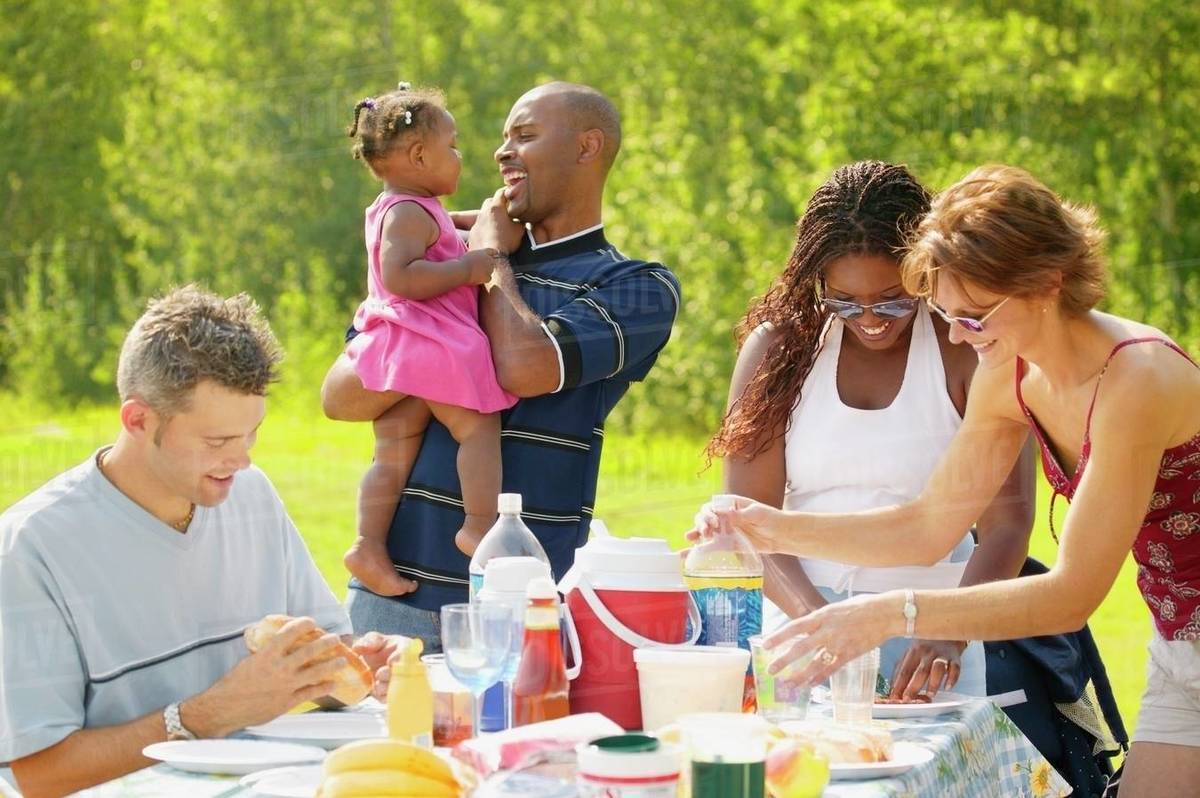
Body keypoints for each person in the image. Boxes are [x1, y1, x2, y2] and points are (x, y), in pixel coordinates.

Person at [696, 165, 1200, 795]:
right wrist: (766, 526)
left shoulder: (1136, 379)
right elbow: (929, 526)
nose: (957, 335)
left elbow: (1073, 595)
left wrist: (893, 613)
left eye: (977, 315)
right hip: (1181, 638)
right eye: (947, 313)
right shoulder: (1007, 370)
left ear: (1048, 284)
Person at [0, 287, 410, 796]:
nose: (242, 461)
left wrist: (356, 665)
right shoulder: (31, 546)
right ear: (138, 420)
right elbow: (38, 773)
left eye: (251, 434)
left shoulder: (250, 495)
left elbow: (322, 658)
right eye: (217, 442)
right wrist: (209, 714)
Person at [321, 82, 681, 651]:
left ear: (587, 147)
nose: (500, 152)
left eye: (526, 136)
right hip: (393, 608)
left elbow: (524, 368)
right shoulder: (439, 261)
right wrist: (473, 260)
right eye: (502, 138)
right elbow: (342, 396)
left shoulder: (635, 287)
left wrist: (490, 263)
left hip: (520, 613)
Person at [706, 160, 1034, 699]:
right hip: (800, 627)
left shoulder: (966, 351)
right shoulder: (779, 350)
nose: (871, 319)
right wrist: (824, 629)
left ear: (926, 270)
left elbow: (1008, 523)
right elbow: (749, 523)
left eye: (893, 298)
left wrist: (950, 632)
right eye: (843, 301)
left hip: (929, 635)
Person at [337, 82, 516, 598]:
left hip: (400, 346)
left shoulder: (409, 207)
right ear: (419, 155)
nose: (460, 156)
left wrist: (481, 222)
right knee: (478, 428)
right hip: (425, 339)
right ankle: (479, 523)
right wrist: (468, 268)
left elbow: (442, 231)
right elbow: (400, 276)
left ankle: (368, 543)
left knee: (392, 450)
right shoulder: (409, 213)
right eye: (453, 145)